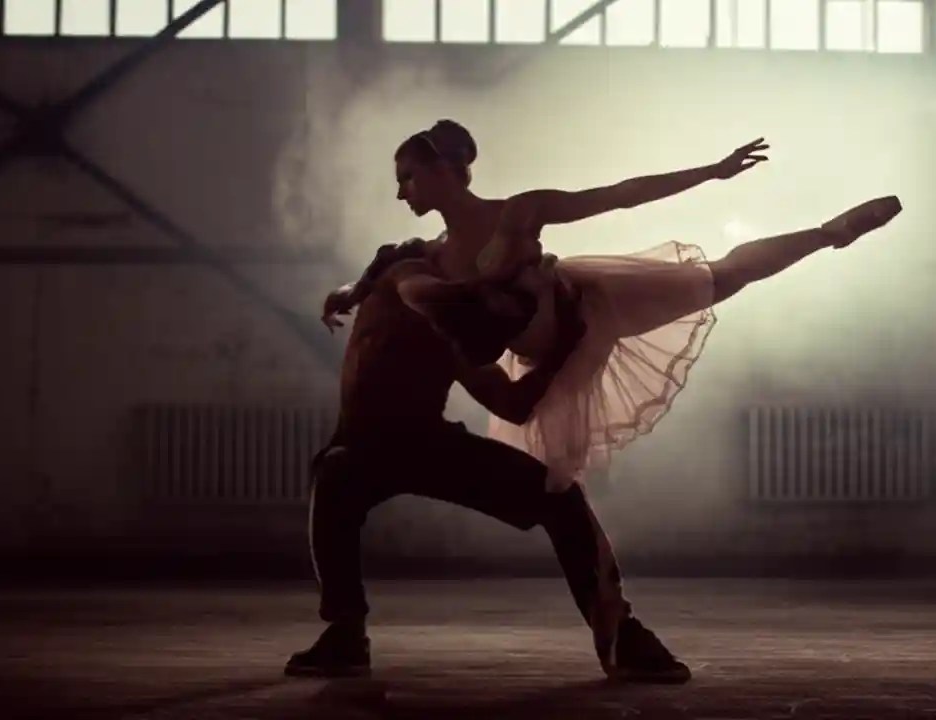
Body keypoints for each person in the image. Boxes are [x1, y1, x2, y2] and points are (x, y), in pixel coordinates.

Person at [325, 120, 903, 492]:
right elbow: (389, 270)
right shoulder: (429, 253)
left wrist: (713, 171)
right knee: (555, 481)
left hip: (586, 306)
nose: (402, 192)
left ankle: (830, 232)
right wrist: (350, 294)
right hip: (538, 350)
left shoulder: (519, 212)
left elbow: (617, 196)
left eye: (407, 177)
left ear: (441, 170)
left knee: (721, 277)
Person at [291, 245, 691, 684]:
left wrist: (562, 353)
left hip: (424, 443)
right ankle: (345, 633)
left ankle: (621, 633)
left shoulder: (457, 327)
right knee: (332, 473)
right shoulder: (414, 270)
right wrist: (349, 292)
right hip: (363, 446)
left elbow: (512, 404)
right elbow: (401, 275)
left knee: (561, 498)